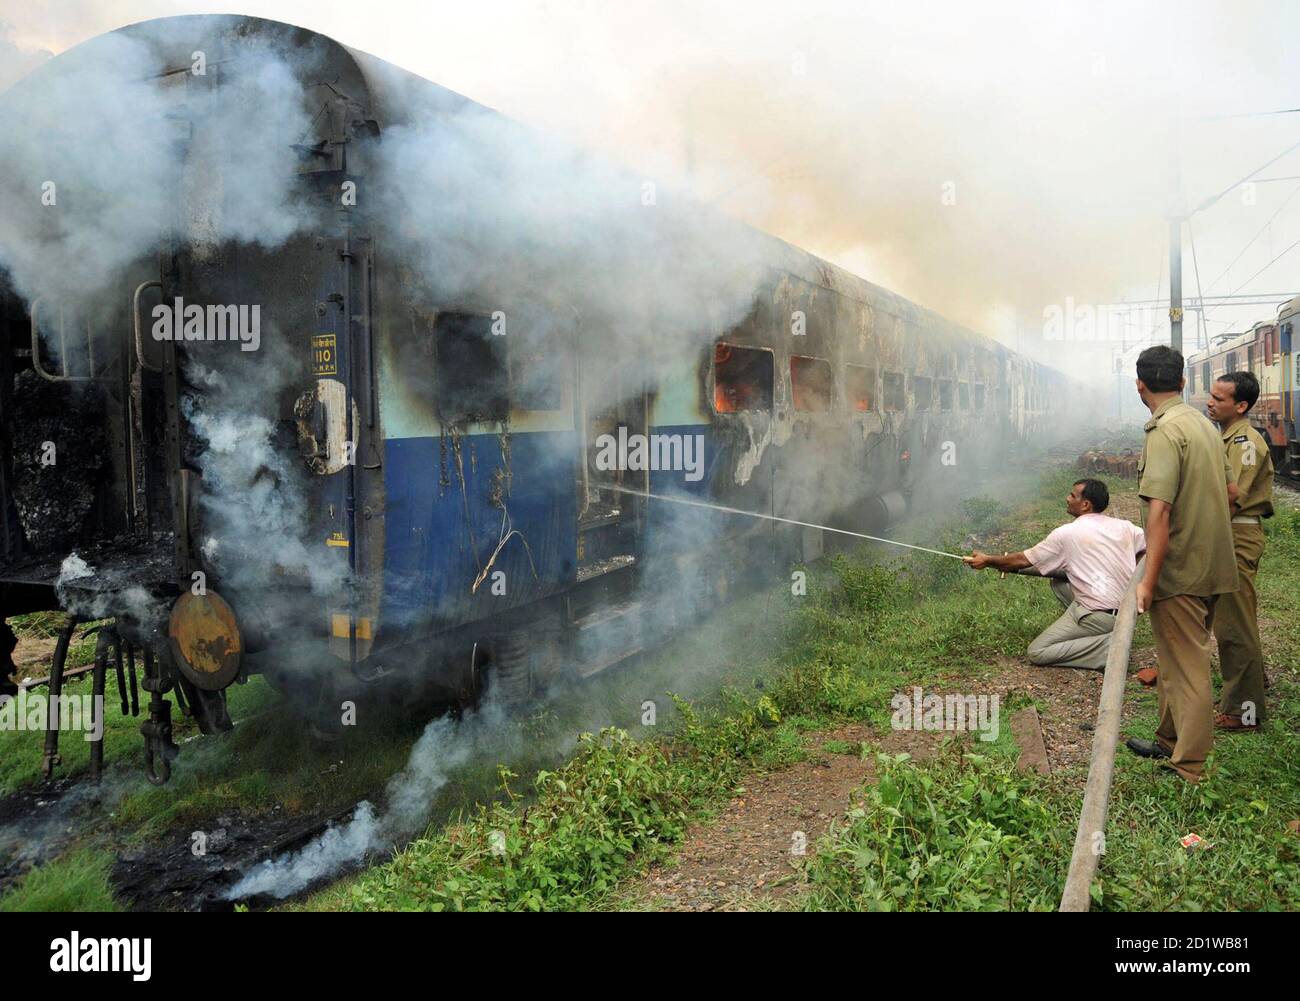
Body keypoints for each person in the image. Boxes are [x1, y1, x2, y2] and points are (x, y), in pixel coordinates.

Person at [1125, 345, 1238, 782]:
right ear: (1183, 381)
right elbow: (1231, 494)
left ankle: (1190, 765)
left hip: (1182, 570)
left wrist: (1147, 582)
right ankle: (1169, 739)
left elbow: (1160, 511)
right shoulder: (1203, 425)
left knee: (1188, 666)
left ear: (1139, 385)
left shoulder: (1165, 431)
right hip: (1213, 563)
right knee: (1174, 658)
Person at [964, 479, 1145, 669]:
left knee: (1038, 652)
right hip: (1124, 611)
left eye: (1072, 495)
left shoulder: (1067, 533)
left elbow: (1022, 560)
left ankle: (1110, 647)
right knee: (1059, 582)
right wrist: (1135, 577)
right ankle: (1109, 634)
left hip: (1098, 616)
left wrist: (987, 560)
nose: (1067, 498)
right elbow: (1150, 548)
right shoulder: (1125, 527)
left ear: (1085, 505)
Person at [1205, 370, 1274, 732]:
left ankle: (1244, 712)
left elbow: (1231, 501)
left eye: (1219, 399)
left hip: (1235, 535)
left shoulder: (1245, 443)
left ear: (1241, 405)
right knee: (1235, 618)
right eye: (1212, 396)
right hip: (1230, 534)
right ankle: (1254, 683)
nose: (1210, 402)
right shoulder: (1229, 437)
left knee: (1234, 625)